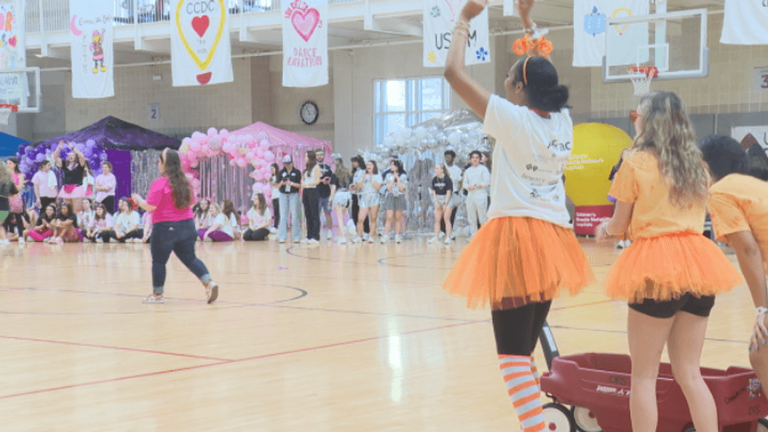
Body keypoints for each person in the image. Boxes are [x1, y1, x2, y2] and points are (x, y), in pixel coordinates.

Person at [441, 2, 596, 431]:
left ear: (518, 90)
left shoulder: (511, 119)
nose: (505, 82)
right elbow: (540, 69)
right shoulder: (562, 121)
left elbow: (453, 75)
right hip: (552, 242)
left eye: (509, 77)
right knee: (522, 350)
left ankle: (538, 428)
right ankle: (539, 425)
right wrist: (528, 23)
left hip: (514, 240)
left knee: (510, 356)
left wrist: (463, 21)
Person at [596, 93, 742, 432]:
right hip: (699, 264)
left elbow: (617, 226)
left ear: (647, 121)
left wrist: (603, 229)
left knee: (644, 376)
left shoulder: (634, 162)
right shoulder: (697, 166)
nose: (634, 119)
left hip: (655, 265)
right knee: (690, 374)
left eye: (637, 114)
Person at [699, 136, 768, 386]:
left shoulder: (719, 192)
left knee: (761, 354)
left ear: (704, 167)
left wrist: (762, 309)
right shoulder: (751, 185)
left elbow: (748, 250)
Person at [131, 148, 219, 304]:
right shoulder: (185, 182)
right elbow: (191, 203)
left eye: (160, 161)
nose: (158, 164)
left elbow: (150, 206)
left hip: (165, 227)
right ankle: (209, 282)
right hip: (187, 226)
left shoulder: (160, 183)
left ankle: (157, 296)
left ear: (166, 165)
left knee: (159, 261)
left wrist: (137, 200)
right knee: (190, 258)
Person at [462, 150, 491, 238]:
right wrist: (468, 187)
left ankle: (485, 236)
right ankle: (473, 236)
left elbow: (487, 181)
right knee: (471, 218)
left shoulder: (483, 169)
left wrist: (477, 186)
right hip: (471, 196)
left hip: (480, 195)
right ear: (470, 159)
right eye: (473, 158)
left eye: (477, 158)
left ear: (480, 159)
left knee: (482, 217)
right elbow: (464, 183)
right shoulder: (468, 171)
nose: (475, 160)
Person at [54, 141, 88, 213]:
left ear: (76, 156)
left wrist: (73, 148)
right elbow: (55, 157)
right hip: (67, 189)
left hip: (76, 188)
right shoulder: (65, 165)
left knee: (77, 211)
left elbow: (82, 156)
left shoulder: (80, 165)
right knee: (67, 211)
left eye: (73, 155)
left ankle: (77, 224)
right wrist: (58, 148)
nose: (71, 156)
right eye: (70, 155)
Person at [353, 161, 382, 243]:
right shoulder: (363, 174)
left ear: (374, 166)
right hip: (364, 197)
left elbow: (378, 187)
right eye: (367, 165)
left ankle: (371, 236)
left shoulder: (378, 175)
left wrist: (372, 180)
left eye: (370, 165)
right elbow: (358, 187)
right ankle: (359, 236)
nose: (368, 166)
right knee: (360, 218)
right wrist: (363, 178)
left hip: (374, 197)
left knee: (373, 218)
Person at [608, 148, 631, 249]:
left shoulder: (633, 167)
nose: (626, 155)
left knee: (628, 219)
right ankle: (620, 240)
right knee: (618, 218)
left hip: (629, 197)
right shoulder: (616, 168)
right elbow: (611, 180)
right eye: (624, 154)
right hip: (618, 196)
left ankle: (627, 239)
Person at [277, 155, 302, 244]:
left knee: (294, 215)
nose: (287, 165)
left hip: (293, 194)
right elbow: (278, 186)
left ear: (291, 162)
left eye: (288, 163)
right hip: (283, 194)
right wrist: (282, 183)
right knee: (283, 216)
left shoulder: (297, 172)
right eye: (285, 164)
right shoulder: (281, 173)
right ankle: (282, 236)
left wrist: (291, 183)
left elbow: (300, 185)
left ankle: (296, 236)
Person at [382, 159, 408, 243]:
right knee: (389, 217)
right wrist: (393, 178)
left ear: (397, 166)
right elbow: (388, 187)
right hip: (390, 196)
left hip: (400, 197)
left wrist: (398, 179)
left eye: (393, 165)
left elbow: (402, 188)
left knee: (398, 218)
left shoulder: (403, 175)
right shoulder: (388, 175)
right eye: (391, 165)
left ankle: (397, 235)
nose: (391, 167)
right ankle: (385, 235)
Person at [429, 164, 454, 245]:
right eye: (435, 168)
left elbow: (449, 192)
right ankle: (436, 237)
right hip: (438, 199)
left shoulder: (447, 179)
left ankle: (448, 237)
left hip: (447, 199)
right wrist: (436, 202)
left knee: (446, 218)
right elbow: (434, 192)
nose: (435, 170)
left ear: (442, 170)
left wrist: (445, 203)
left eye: (437, 168)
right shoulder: (434, 179)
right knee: (437, 218)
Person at [301, 151, 322, 244]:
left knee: (314, 214)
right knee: (307, 213)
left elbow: (318, 181)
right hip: (306, 191)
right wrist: (302, 182)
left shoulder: (316, 167)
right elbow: (303, 177)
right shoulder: (306, 167)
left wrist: (308, 184)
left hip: (313, 190)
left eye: (306, 156)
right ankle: (309, 235)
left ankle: (315, 236)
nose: (305, 158)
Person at [440, 150, 463, 239]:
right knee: (442, 213)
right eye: (445, 157)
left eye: (449, 157)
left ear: (453, 158)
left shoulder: (457, 169)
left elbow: (460, 181)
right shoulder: (442, 168)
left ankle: (449, 232)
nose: (447, 159)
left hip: (453, 193)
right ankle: (442, 231)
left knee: (451, 214)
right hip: (443, 193)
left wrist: (458, 191)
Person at [348, 155, 370, 240]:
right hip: (355, 194)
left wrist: (356, 187)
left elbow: (361, 184)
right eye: (352, 162)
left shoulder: (364, 172)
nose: (353, 163)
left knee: (363, 215)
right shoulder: (355, 172)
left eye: (355, 161)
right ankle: (359, 233)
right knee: (354, 214)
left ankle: (366, 232)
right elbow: (354, 183)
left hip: (362, 195)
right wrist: (352, 186)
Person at [315, 149, 335, 240]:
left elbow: (332, 179)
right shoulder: (313, 167)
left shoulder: (327, 167)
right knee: (316, 213)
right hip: (316, 194)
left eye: (321, 155)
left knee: (328, 213)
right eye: (318, 155)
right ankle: (317, 231)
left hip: (326, 193)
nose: (320, 157)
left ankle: (329, 231)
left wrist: (328, 181)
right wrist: (320, 181)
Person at [0, 162, 19, 245]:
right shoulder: (9, 180)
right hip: (5, 206)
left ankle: (4, 239)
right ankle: (4, 239)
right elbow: (15, 192)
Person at [269, 163, 281, 233]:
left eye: (273, 169)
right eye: (271, 169)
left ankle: (277, 225)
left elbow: (279, 185)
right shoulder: (272, 177)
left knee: (279, 212)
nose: (272, 171)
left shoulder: (279, 176)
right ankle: (276, 226)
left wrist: (275, 185)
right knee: (275, 211)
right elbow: (272, 187)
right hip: (274, 196)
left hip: (279, 196)